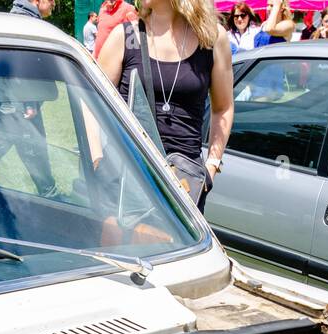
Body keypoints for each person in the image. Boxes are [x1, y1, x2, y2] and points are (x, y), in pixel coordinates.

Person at [97, 0, 234, 211]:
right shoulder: (125, 36)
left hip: (184, 183)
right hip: (127, 175)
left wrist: (211, 166)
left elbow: (223, 107)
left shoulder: (212, 38)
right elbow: (93, 103)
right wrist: (97, 158)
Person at [0, 0, 59, 198]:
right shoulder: (29, 25)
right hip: (20, 110)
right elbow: (21, 70)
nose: (54, 4)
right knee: (40, 166)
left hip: (5, 107)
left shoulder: (12, 20)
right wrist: (30, 103)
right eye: (52, 0)